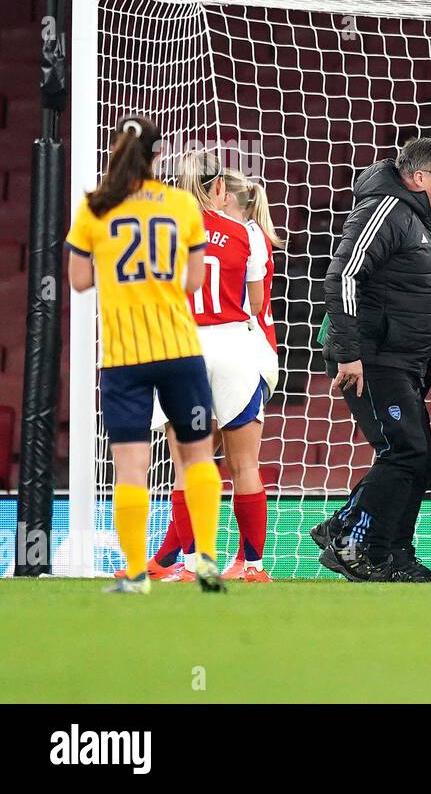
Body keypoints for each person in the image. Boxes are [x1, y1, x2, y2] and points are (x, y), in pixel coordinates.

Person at [65, 116, 225, 594]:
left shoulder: (96, 207)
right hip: (178, 350)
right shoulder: (180, 205)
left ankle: (136, 575)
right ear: (159, 157)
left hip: (123, 356)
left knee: (131, 466)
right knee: (197, 457)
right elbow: (194, 282)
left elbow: (76, 280)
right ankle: (209, 563)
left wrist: (114, 270)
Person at [318, 137, 431, 582]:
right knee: (405, 449)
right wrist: (348, 355)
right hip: (373, 357)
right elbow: (342, 275)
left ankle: (392, 555)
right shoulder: (385, 210)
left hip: (406, 359)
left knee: (420, 456)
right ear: (419, 178)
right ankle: (349, 533)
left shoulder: (426, 221)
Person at [143, 156, 274, 585]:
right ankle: (251, 566)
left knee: (189, 468)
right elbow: (255, 304)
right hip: (235, 348)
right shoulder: (247, 232)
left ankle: (194, 564)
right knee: (245, 465)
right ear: (219, 186)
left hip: (182, 348)